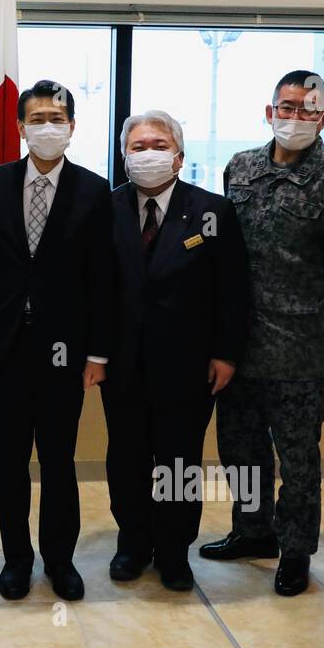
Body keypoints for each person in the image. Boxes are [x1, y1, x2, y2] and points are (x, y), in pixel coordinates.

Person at [203, 70, 324, 596]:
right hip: (239, 343)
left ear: (323, 117)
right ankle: (252, 530)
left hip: (301, 348)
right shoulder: (241, 168)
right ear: (269, 110)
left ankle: (296, 550)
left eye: (307, 109)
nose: (295, 117)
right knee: (240, 447)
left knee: (298, 457)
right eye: (287, 106)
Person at [102, 110, 249, 591]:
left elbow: (232, 291)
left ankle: (173, 550)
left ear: (179, 157)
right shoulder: (106, 209)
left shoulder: (212, 212)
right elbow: (94, 291)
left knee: (179, 462)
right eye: (138, 146)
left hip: (187, 366)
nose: (149, 154)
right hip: (122, 366)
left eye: (158, 145)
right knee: (126, 460)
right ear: (124, 157)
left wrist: (226, 354)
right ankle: (133, 542)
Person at [0, 79, 111, 601]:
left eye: (57, 118)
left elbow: (102, 278)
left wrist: (97, 353)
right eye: (37, 119)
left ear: (73, 127)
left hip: (66, 352)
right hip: (6, 348)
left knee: (58, 460)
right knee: (9, 461)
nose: (47, 127)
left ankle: (60, 560)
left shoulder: (94, 190)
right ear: (20, 127)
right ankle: (16, 560)